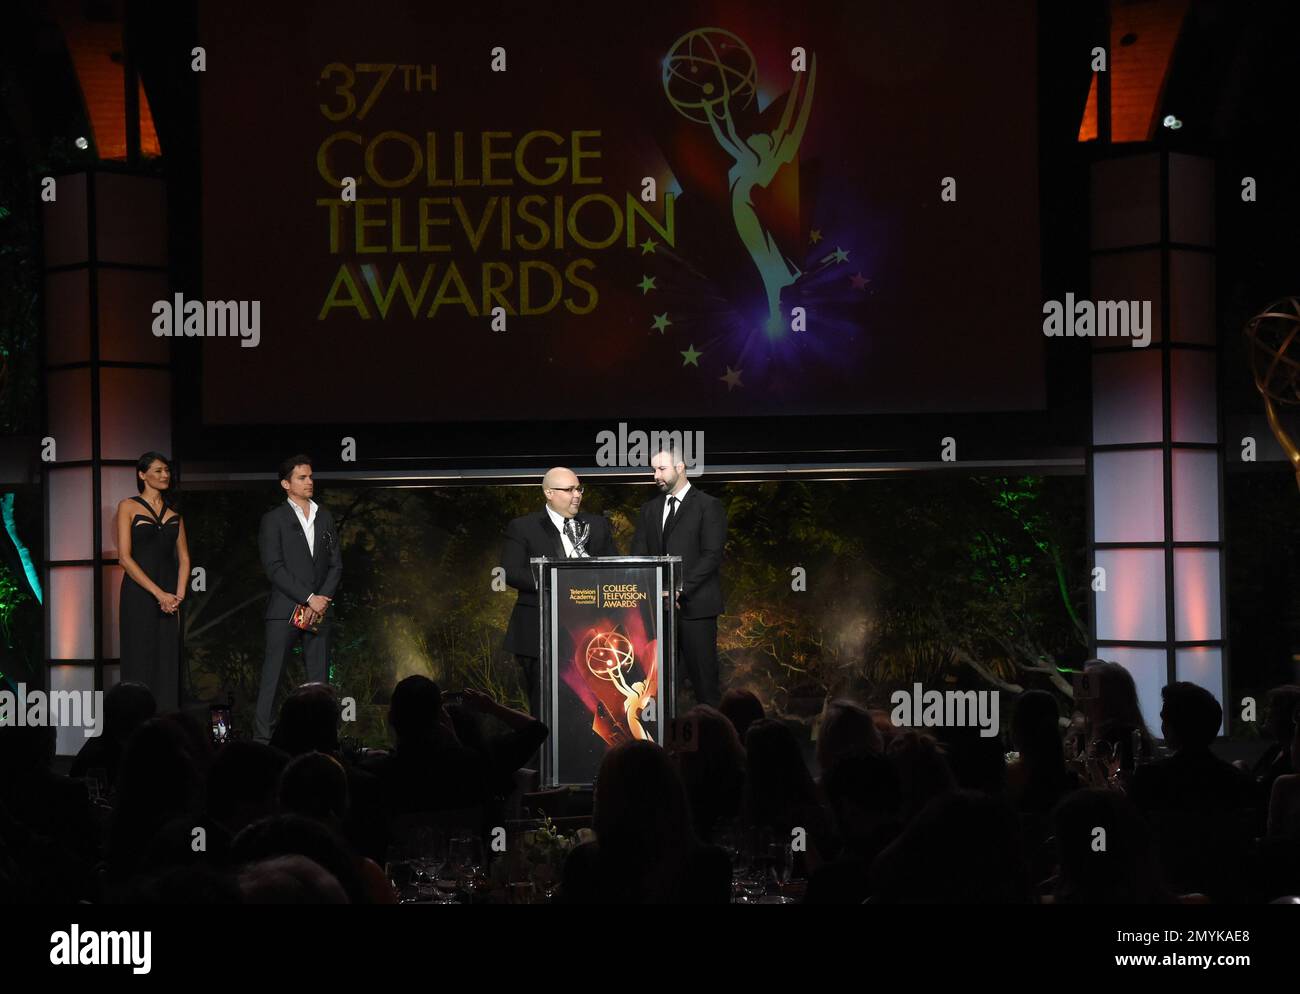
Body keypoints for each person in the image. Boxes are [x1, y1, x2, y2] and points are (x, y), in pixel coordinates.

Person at [502, 467, 617, 717]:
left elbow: (614, 570)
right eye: (569, 490)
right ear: (549, 493)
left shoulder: (596, 525)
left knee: (590, 714)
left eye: (579, 488)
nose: (577, 495)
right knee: (543, 712)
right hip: (538, 634)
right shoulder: (523, 527)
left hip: (592, 635)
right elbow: (510, 572)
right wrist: (560, 580)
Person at [255, 455, 342, 742]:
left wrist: (322, 599)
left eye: (310, 476)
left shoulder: (325, 516)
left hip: (318, 611)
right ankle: (263, 743)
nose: (309, 482)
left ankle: (321, 741)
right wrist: (308, 597)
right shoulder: (273, 519)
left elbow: (335, 564)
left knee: (319, 683)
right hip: (285, 609)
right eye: (302, 477)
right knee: (273, 679)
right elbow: (273, 567)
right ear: (285, 484)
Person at [631, 449, 727, 706]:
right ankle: (662, 745)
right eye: (653, 470)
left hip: (697, 609)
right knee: (657, 689)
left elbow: (711, 556)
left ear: (681, 467)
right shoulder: (649, 510)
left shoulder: (708, 506)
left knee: (705, 686)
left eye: (661, 469)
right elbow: (639, 557)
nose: (655, 475)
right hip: (658, 613)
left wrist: (678, 590)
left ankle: (714, 743)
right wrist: (652, 593)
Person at [115, 451, 189, 711]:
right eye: (158, 470)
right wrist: (160, 594)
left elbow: (184, 559)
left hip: (171, 598)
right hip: (140, 593)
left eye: (167, 470)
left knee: (168, 659)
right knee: (139, 656)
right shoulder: (128, 506)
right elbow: (124, 558)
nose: (164, 475)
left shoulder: (174, 514)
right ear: (142, 474)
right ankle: (134, 725)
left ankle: (166, 724)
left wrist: (177, 596)